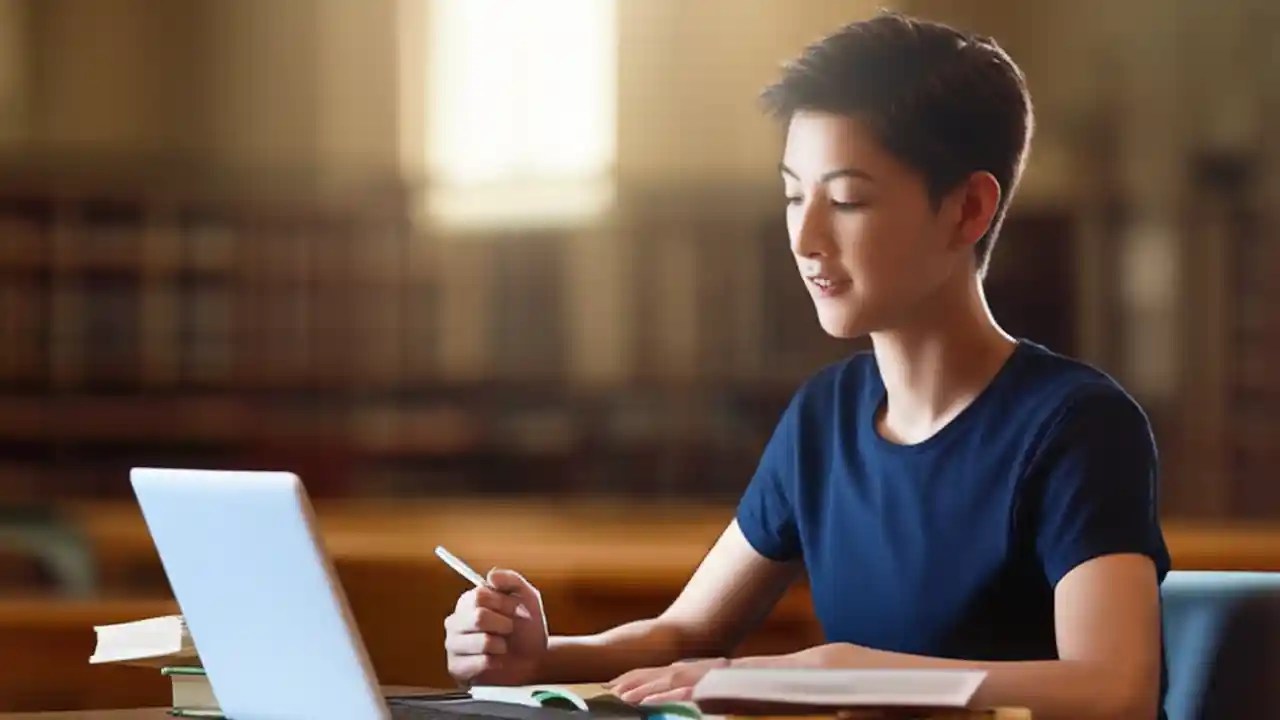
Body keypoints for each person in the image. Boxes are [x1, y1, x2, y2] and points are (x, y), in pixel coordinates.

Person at [443, 11, 1170, 720]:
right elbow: (685, 635)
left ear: (969, 208)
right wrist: (541, 657)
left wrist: (844, 674)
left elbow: (1114, 691)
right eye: (794, 195)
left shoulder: (1077, 427)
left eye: (848, 200)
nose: (806, 238)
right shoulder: (826, 416)